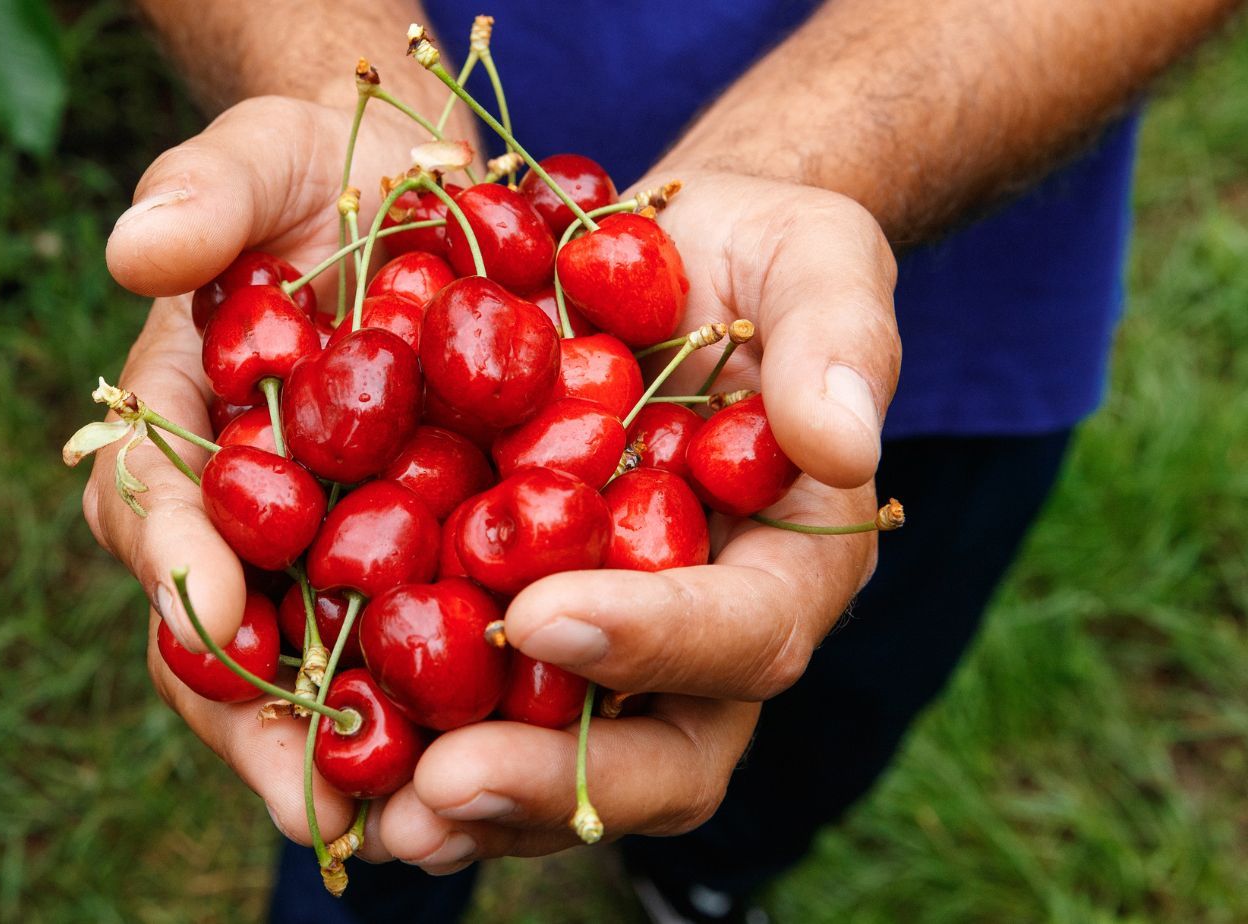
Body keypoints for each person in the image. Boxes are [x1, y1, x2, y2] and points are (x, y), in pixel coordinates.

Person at [85, 1, 1239, 920]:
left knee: (829, 705)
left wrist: (809, 160)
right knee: (384, 796)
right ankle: (372, 884)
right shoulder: (381, 343)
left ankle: (701, 883)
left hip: (967, 310)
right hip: (469, 243)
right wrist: (323, 73)